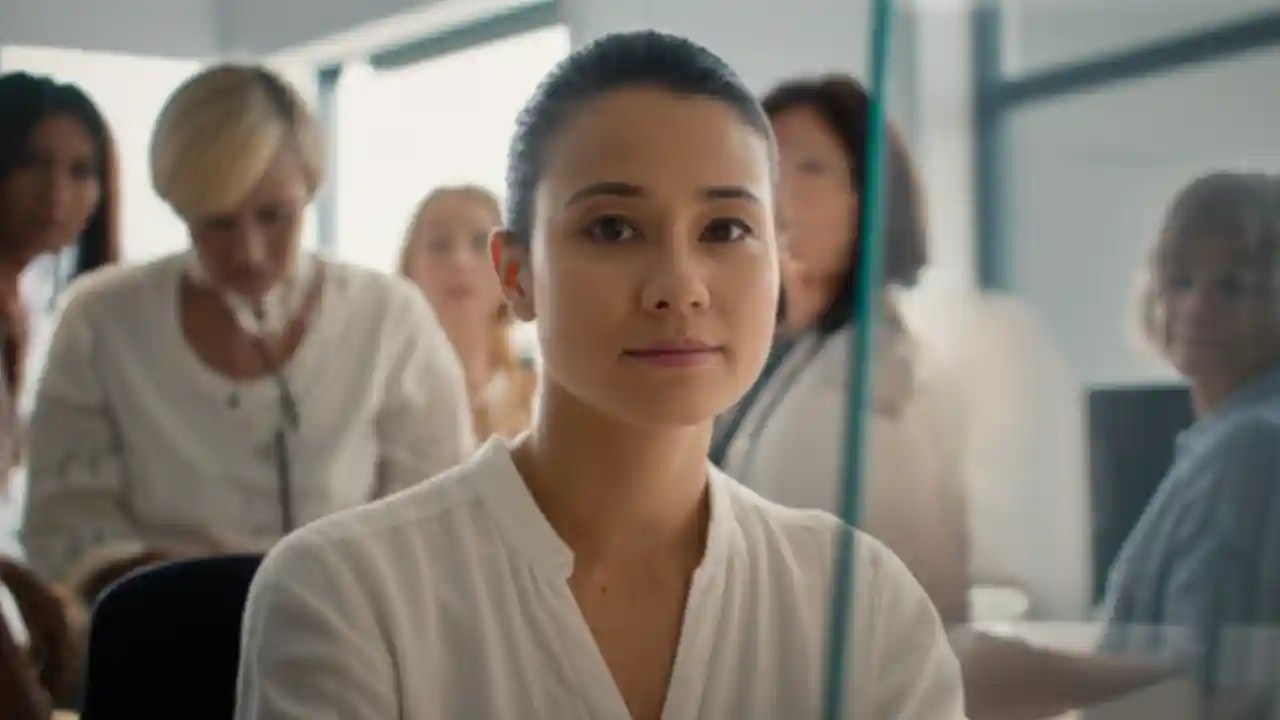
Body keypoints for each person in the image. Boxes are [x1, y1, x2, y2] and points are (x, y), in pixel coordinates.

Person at [236, 31, 963, 720]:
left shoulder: (861, 606)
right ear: (516, 276)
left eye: (725, 230)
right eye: (613, 228)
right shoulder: (347, 593)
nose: (679, 287)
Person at [21, 65, 475, 604]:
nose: (249, 252)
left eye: (274, 217)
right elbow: (63, 519)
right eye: (217, 222)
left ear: (309, 191)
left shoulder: (389, 318)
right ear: (180, 206)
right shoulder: (100, 320)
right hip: (162, 642)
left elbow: (437, 511)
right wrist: (186, 591)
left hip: (352, 642)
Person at [958, 172, 1280, 719]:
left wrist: (1034, 674)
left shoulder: (1252, 446)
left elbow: (1220, 682)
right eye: (1181, 281)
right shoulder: (1218, 443)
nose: (1198, 306)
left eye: (1232, 285)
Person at [712, 75, 970, 624]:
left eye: (809, 168)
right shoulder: (769, 356)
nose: (776, 191)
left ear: (872, 196)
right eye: (762, 168)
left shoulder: (884, 379)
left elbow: (909, 600)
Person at [0, 71, 120, 717]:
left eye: (81, 170)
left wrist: (19, 580)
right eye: (32, 163)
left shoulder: (30, 311)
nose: (57, 192)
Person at [399, 185, 536, 439]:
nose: (460, 261)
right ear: (408, 269)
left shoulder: (541, 399)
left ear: (511, 268)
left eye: (480, 243)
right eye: (439, 245)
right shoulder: (385, 398)